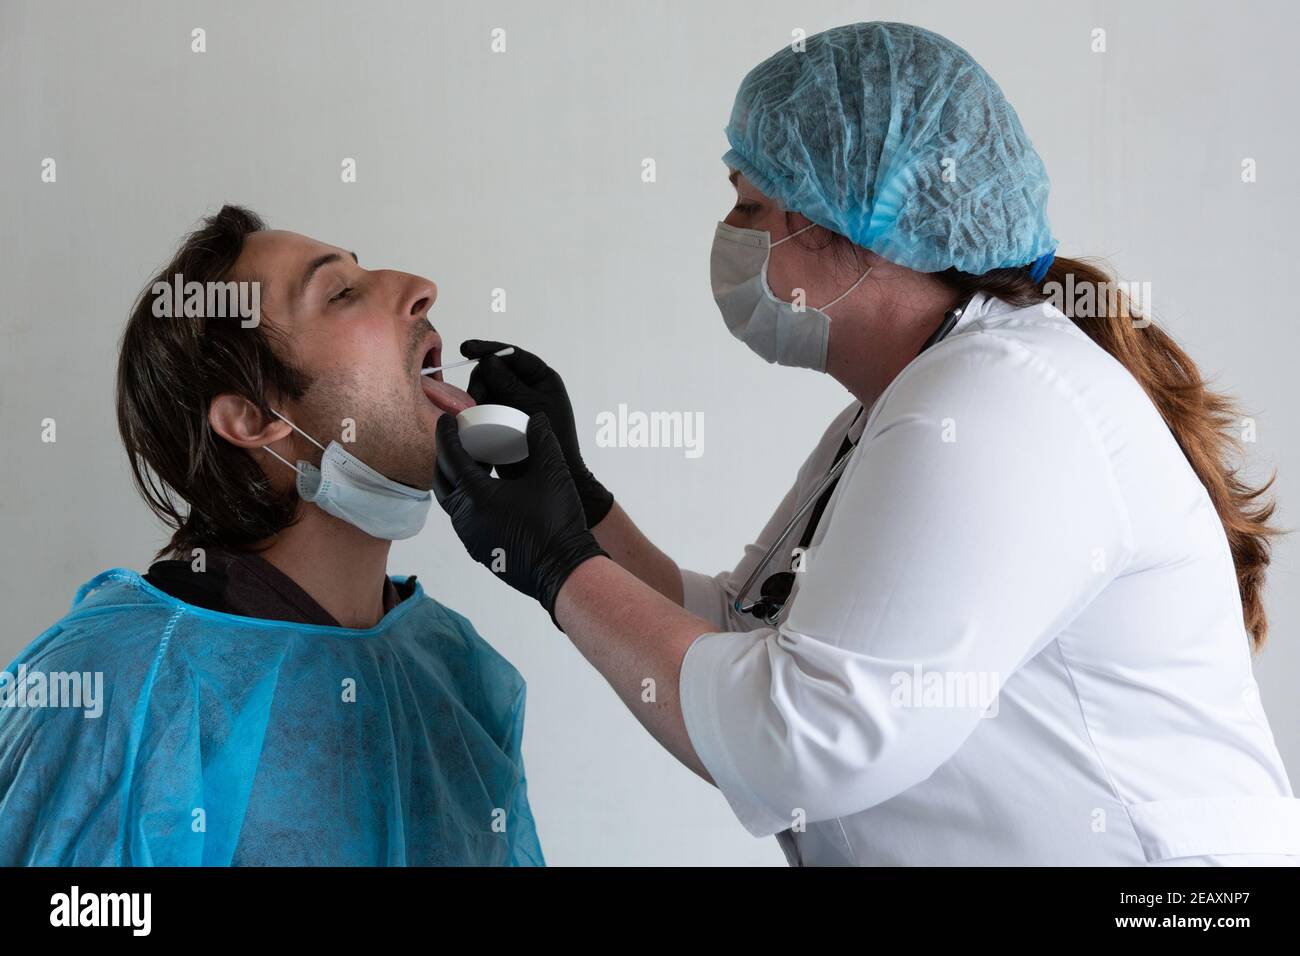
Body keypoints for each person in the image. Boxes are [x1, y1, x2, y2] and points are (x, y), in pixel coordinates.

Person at [432, 22, 1299, 865]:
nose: (730, 238)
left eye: (749, 205)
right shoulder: (917, 399)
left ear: (855, 228)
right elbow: (748, 629)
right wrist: (581, 506)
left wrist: (557, 566)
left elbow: (806, 737)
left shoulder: (996, 402)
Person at [0, 206, 544, 866]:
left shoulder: (458, 673)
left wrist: (585, 530)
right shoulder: (114, 689)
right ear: (254, 418)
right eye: (341, 292)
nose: (419, 285)